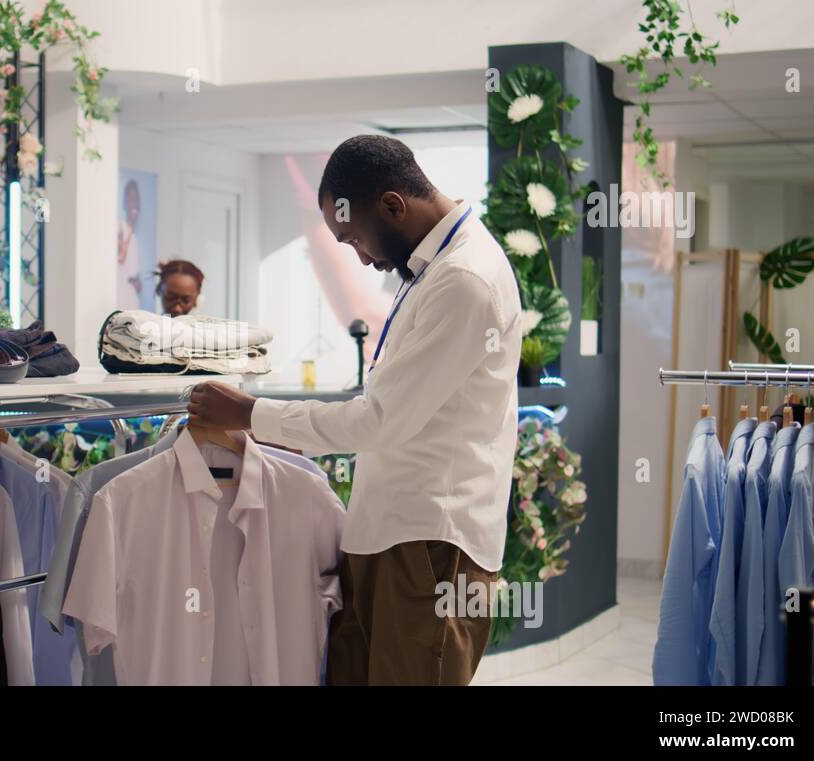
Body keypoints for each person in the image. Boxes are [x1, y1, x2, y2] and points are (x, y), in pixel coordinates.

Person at [186, 135, 522, 685]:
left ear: (393, 205)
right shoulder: (435, 269)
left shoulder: (465, 280)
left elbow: (378, 421)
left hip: (431, 544)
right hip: (390, 535)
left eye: (354, 238)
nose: (361, 257)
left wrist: (252, 414)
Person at [116, 179, 143, 308]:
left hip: (132, 293)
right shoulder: (120, 227)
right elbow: (121, 258)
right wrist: (131, 226)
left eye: (136, 200)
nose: (134, 204)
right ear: (125, 203)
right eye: (131, 199)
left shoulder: (135, 235)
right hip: (121, 291)